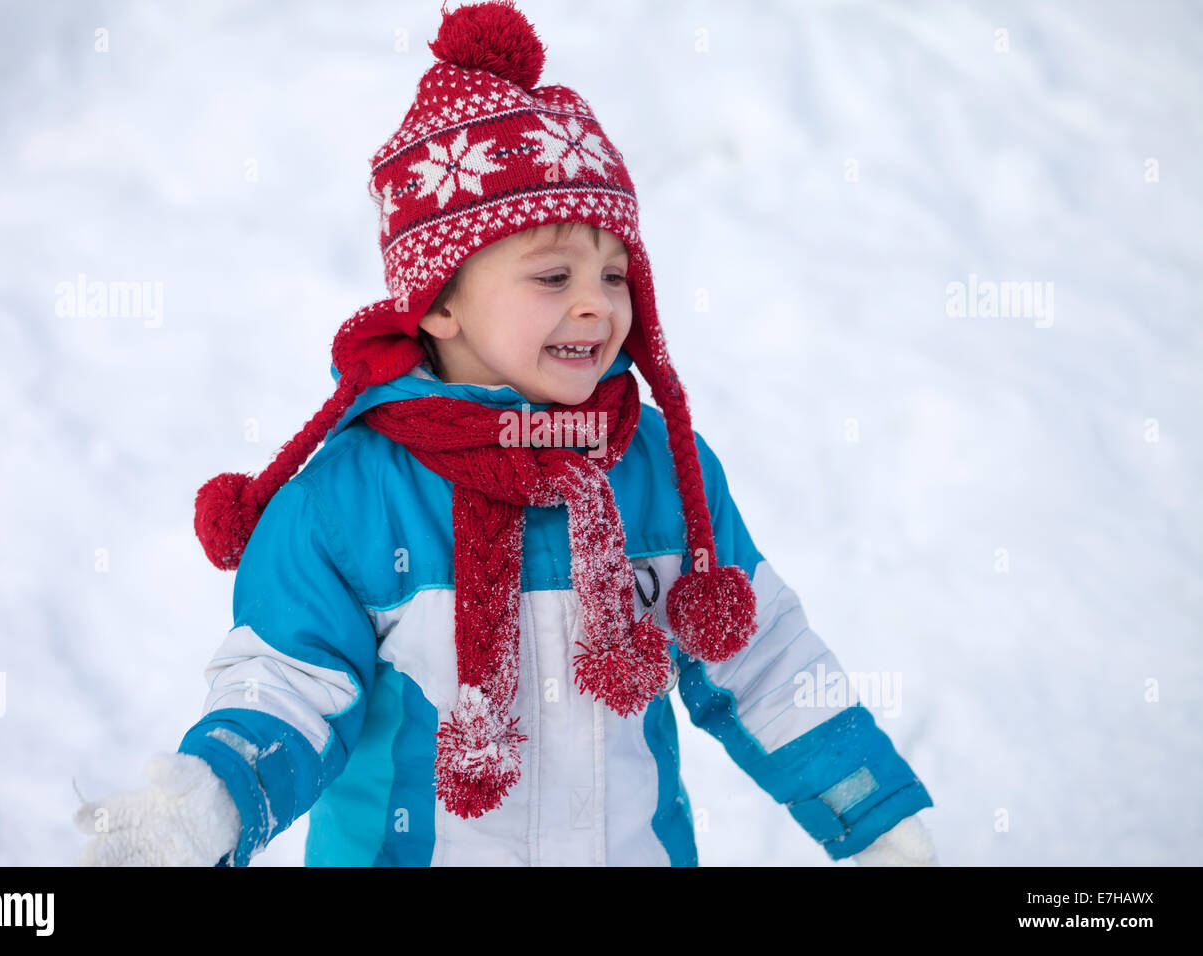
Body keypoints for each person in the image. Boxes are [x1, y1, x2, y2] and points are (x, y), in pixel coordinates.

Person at [74, 0, 937, 867]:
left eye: (614, 272)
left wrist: (871, 813)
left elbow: (764, 663)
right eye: (553, 275)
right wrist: (213, 802)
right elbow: (289, 688)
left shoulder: (658, 471)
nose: (597, 304)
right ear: (440, 302)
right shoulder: (347, 503)